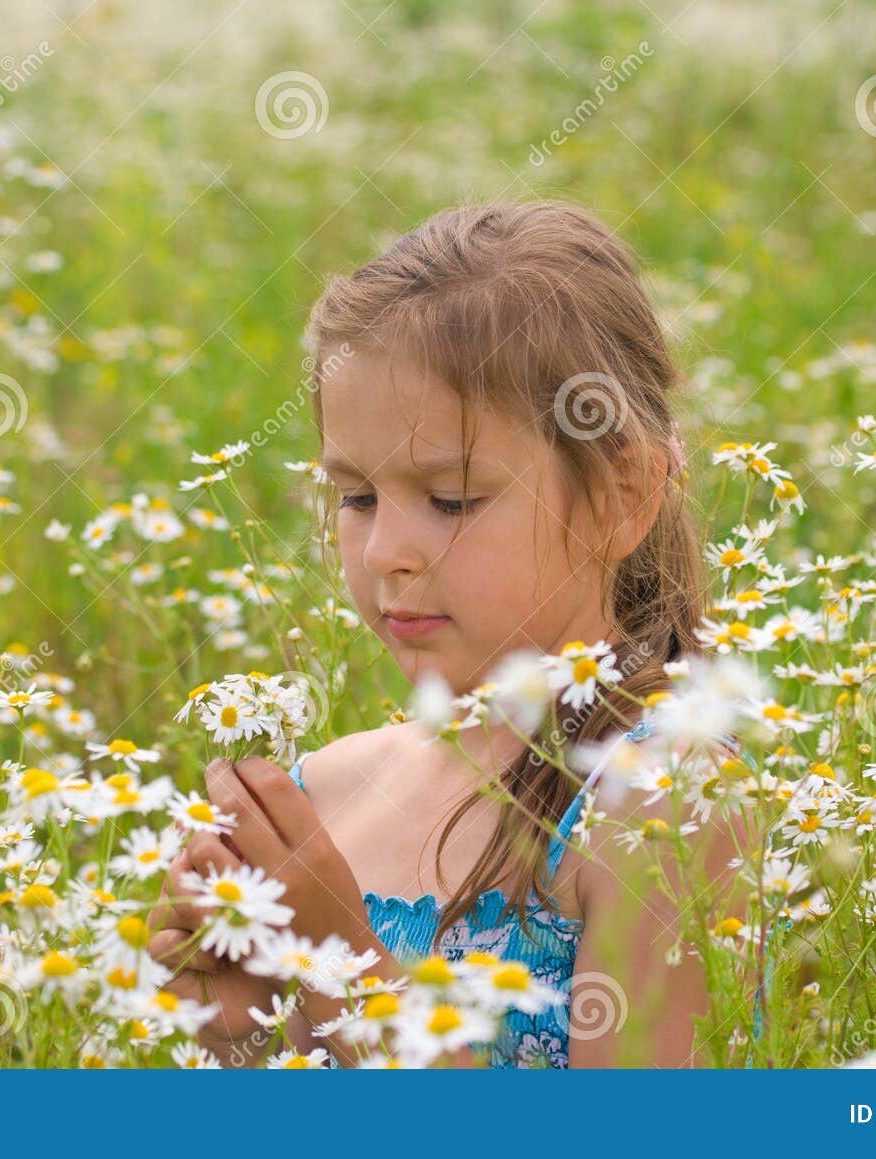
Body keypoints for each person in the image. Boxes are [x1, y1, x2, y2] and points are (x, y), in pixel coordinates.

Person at [149, 202, 746, 1068]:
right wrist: (236, 1030)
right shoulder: (330, 789)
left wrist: (343, 964)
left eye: (452, 500)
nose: (386, 552)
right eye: (356, 497)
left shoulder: (660, 801)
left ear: (622, 497)